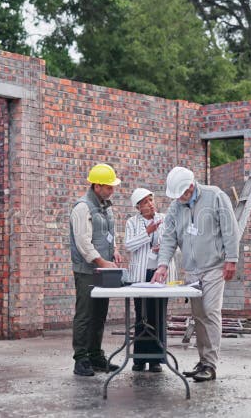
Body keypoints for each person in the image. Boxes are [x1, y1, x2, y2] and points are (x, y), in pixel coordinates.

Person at [151, 166, 240, 382]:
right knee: (199, 316)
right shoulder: (175, 207)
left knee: (210, 312)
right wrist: (162, 264)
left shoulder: (215, 196)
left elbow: (230, 229)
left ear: (191, 186)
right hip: (192, 270)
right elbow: (170, 238)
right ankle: (203, 361)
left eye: (182, 194)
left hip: (214, 267)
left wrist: (232, 259)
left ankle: (210, 364)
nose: (180, 199)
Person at [69, 163, 123, 376]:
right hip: (87, 270)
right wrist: (101, 262)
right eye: (109, 187)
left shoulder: (106, 206)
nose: (112, 190)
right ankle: (80, 359)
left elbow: (110, 234)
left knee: (100, 313)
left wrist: (115, 250)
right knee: (85, 314)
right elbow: (83, 242)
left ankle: (95, 356)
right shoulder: (82, 207)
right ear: (97, 186)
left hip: (104, 269)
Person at [124, 188, 178, 373]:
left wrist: (161, 248)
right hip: (141, 274)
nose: (150, 204)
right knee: (141, 315)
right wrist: (147, 232)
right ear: (138, 206)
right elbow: (129, 245)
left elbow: (175, 244)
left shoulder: (165, 218)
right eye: (145, 202)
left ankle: (156, 359)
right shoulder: (132, 222)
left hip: (160, 274)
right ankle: (139, 359)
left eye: (151, 200)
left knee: (158, 314)